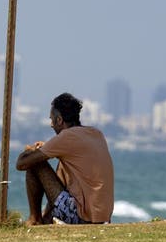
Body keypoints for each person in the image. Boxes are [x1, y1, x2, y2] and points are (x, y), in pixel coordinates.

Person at [15, 92, 114, 225]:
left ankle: (35, 219)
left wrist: (30, 151)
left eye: (52, 119)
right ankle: (46, 218)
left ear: (59, 120)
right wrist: (50, 149)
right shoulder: (96, 133)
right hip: (102, 219)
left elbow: (21, 164)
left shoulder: (66, 136)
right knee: (63, 164)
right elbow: (74, 152)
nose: (51, 124)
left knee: (36, 163)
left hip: (82, 218)